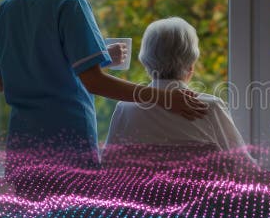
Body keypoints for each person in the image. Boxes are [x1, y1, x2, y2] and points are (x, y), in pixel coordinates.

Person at [0, 0, 207, 167]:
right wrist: (165, 97)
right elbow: (95, 83)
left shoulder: (7, 7)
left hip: (21, 152)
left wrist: (97, 54)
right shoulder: (70, 6)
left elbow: (3, 81)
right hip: (68, 151)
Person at [104, 17, 245, 159]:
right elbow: (244, 169)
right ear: (191, 65)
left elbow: (109, 166)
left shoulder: (125, 110)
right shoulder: (211, 107)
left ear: (146, 65)